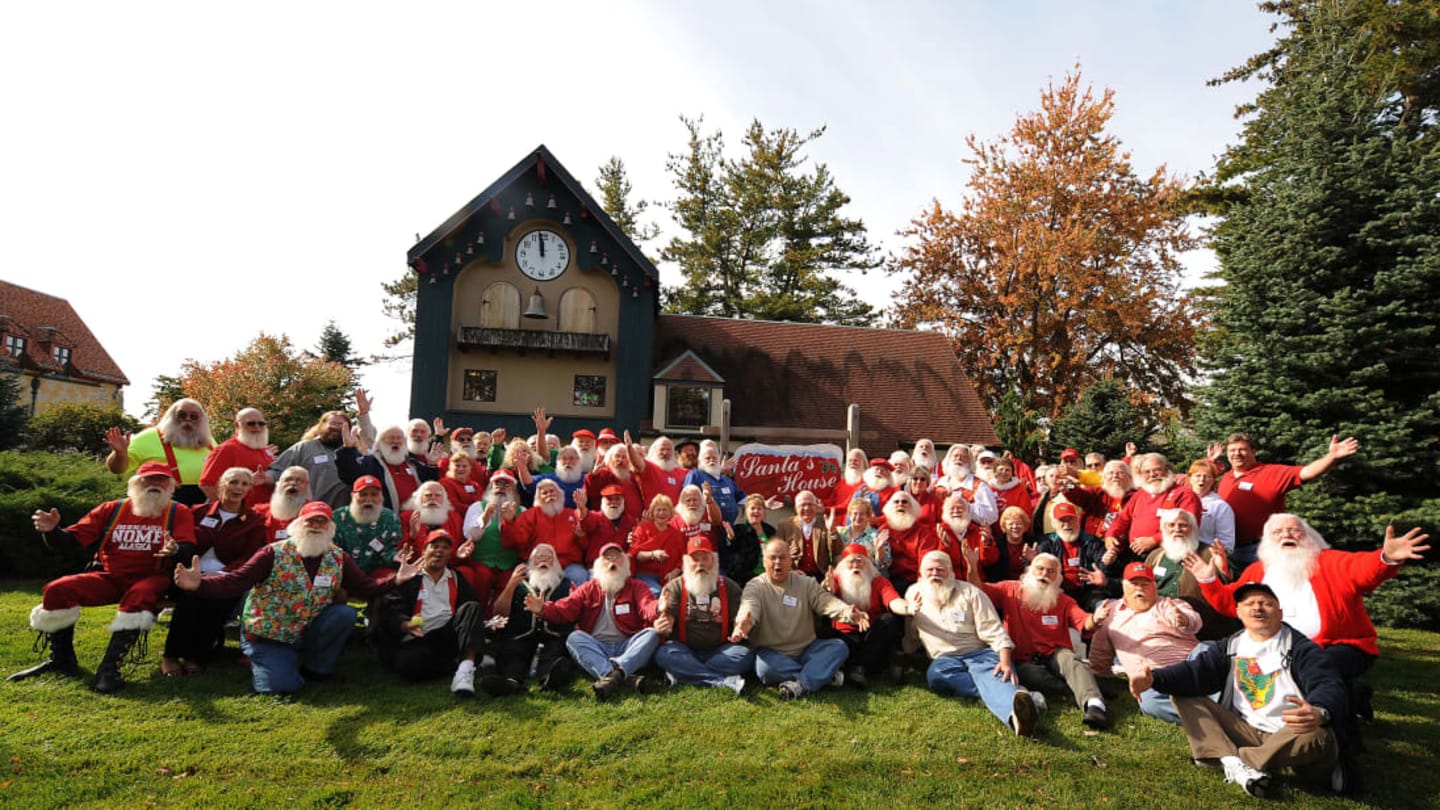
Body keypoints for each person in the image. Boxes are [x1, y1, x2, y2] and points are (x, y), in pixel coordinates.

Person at [1187, 514, 1428, 722]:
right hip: (1281, 646)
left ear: (1309, 537)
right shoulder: (1257, 571)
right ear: (1268, 541)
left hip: (1339, 645)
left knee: (1314, 666)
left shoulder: (1332, 562)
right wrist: (1208, 580)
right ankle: (1347, 699)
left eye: (1294, 530)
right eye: (1278, 532)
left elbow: (1363, 568)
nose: (1286, 535)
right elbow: (1233, 604)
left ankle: (1339, 731)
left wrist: (1385, 557)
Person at [173, 501, 420, 695]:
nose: (315, 526)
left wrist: (396, 580)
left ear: (330, 529)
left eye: (322, 521)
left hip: (306, 628)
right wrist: (200, 585)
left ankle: (317, 669)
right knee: (280, 687)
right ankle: (269, 659)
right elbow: (236, 581)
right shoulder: (272, 553)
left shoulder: (338, 557)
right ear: (298, 524)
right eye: (310, 520)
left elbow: (365, 586)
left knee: (344, 614)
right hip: (268, 634)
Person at [1130, 582, 1349, 798]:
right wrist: (1154, 678)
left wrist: (1319, 711)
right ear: (1238, 612)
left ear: (1280, 612)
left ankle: (1235, 761)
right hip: (1246, 731)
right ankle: (1237, 762)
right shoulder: (1231, 646)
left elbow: (1328, 684)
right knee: (1184, 696)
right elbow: (1195, 672)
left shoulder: (1301, 649)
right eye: (1249, 604)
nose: (1257, 608)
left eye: (1266, 603)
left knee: (1318, 734)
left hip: (1290, 734)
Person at [10, 461, 194, 692]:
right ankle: (61, 659)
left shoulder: (178, 512)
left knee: (139, 595)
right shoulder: (112, 509)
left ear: (171, 486)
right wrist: (52, 532)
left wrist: (175, 550)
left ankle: (109, 668)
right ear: (135, 483)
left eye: (162, 480)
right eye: (148, 479)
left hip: (153, 577)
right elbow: (71, 541)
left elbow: (188, 548)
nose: (155, 484)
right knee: (58, 589)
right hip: (110, 576)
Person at [896, 550, 1039, 736]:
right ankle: (1011, 693)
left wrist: (1005, 661)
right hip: (945, 660)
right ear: (921, 573)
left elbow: (994, 630)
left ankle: (1016, 718)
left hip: (980, 653)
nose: (935, 574)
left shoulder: (971, 593)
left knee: (995, 673)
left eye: (940, 569)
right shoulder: (913, 593)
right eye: (929, 570)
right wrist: (908, 651)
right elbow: (912, 629)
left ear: (951, 571)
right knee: (936, 677)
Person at [979, 553, 1109, 728]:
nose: (1044, 574)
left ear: (1058, 578)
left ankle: (1095, 705)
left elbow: (1084, 621)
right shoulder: (1009, 589)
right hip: (1023, 659)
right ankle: (1084, 684)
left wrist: (1095, 619)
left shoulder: (1064, 601)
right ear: (1029, 571)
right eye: (1039, 569)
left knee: (1070, 660)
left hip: (1055, 653)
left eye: (1051, 571)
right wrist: (972, 566)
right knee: (1031, 676)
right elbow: (979, 590)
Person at [162, 466, 267, 676]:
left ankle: (195, 656)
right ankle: (170, 656)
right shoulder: (197, 512)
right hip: (188, 573)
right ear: (221, 485)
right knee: (189, 597)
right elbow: (183, 541)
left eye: (244, 484)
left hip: (227, 578)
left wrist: (222, 575)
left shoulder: (255, 521)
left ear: (249, 490)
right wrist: (175, 549)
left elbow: (250, 556)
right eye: (233, 482)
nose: (238, 487)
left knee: (217, 600)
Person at [730, 539, 866, 699]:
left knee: (839, 647)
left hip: (807, 649)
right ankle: (821, 675)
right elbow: (749, 607)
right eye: (772, 558)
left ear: (790, 561)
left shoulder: (806, 583)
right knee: (765, 670)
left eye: (782, 557)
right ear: (764, 561)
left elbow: (826, 602)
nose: (777, 562)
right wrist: (743, 624)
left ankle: (802, 683)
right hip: (773, 654)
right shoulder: (755, 586)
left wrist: (848, 612)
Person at [525, 543, 660, 701]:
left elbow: (648, 606)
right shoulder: (588, 588)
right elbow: (565, 608)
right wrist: (543, 610)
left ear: (625, 562)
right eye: (607, 557)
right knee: (574, 638)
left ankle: (612, 675)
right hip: (597, 647)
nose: (612, 561)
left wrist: (658, 607)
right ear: (598, 564)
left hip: (626, 646)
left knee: (651, 634)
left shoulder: (637, 587)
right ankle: (620, 676)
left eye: (617, 557)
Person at [1216, 432, 1359, 568]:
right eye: (1232, 450)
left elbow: (1306, 472)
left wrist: (1332, 457)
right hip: (1229, 550)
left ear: (1254, 452)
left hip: (1262, 549)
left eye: (1242, 449)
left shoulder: (1273, 473)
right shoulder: (1226, 478)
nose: (1237, 454)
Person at [1086, 561, 1202, 725]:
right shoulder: (1109, 612)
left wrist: (1183, 619)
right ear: (1124, 587)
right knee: (1149, 702)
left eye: (1145, 584)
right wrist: (1099, 676)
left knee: (1209, 652)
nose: (1139, 589)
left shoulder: (1169, 605)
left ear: (1155, 587)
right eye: (1134, 584)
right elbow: (1099, 655)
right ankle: (1207, 717)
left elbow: (1195, 621)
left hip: (1191, 665)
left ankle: (1222, 704)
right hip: (1152, 678)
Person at [373, 529, 486, 695]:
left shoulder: (455, 576)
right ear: (424, 551)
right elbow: (390, 608)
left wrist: (484, 623)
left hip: (448, 633)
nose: (440, 551)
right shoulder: (410, 576)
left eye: (445, 548)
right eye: (435, 546)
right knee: (408, 665)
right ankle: (460, 661)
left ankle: (465, 670)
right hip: (418, 637)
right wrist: (404, 624)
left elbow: (469, 608)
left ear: (449, 554)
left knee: (472, 607)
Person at [652, 536, 752, 693]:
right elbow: (667, 621)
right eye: (695, 559)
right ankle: (722, 681)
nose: (700, 564)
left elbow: (738, 622)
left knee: (744, 655)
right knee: (664, 654)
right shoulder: (675, 587)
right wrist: (663, 626)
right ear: (686, 562)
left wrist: (740, 629)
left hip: (721, 651)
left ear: (714, 561)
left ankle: (682, 674)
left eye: (705, 558)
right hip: (685, 650)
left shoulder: (729, 587)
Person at [480, 544, 575, 696]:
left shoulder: (566, 584)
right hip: (521, 634)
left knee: (555, 650)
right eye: (539, 557)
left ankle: (549, 681)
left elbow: (575, 611)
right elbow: (499, 613)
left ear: (555, 563)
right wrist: (511, 585)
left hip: (553, 634)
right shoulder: (518, 584)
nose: (543, 560)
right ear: (531, 563)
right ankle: (510, 683)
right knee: (514, 651)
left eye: (548, 557)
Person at [1143, 509, 1238, 640]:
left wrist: (1223, 569)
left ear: (1193, 529)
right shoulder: (1155, 556)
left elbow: (1233, 591)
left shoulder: (1211, 553)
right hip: (1163, 630)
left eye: (1183, 525)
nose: (1177, 529)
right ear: (1163, 529)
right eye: (1171, 525)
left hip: (1205, 631)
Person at [104, 398, 214, 505]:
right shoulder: (147, 437)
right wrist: (120, 453)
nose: (188, 419)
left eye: (194, 416)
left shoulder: (209, 441)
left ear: (201, 419)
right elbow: (117, 469)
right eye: (182, 415)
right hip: (158, 505)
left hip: (204, 506)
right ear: (171, 416)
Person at [269, 400, 377, 508]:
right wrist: (266, 477)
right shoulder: (305, 448)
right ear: (322, 425)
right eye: (333, 423)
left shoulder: (356, 451)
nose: (336, 427)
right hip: (314, 512)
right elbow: (277, 471)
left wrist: (364, 415)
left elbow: (369, 440)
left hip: (348, 513)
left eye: (341, 425)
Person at [827, 543, 906, 687]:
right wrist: (828, 590)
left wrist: (908, 607)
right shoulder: (835, 580)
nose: (855, 565)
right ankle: (859, 666)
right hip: (846, 634)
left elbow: (893, 600)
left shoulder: (879, 581)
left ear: (868, 564)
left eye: (860, 561)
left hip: (871, 634)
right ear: (844, 565)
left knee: (889, 620)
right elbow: (825, 599)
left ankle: (858, 667)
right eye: (851, 562)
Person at [1100, 453, 1202, 561]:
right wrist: (1110, 535)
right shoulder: (1140, 494)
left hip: (1167, 555)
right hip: (1136, 554)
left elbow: (1190, 525)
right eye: (1147, 472)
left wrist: (1154, 540)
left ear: (1168, 470)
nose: (1152, 475)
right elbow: (1122, 518)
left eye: (1157, 470)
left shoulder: (1184, 494)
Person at [499, 478, 589, 587]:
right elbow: (515, 543)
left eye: (552, 491)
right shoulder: (529, 515)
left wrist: (581, 537)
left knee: (580, 576)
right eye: (544, 493)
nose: (549, 495)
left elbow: (586, 546)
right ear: (538, 498)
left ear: (560, 494)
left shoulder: (573, 515)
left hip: (567, 564)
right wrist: (509, 523)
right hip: (537, 563)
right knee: (519, 578)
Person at [337, 424, 439, 513]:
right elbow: (349, 475)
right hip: (385, 523)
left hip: (413, 522)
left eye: (399, 438)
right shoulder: (370, 462)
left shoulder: (413, 463)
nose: (396, 441)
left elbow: (430, 484)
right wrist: (347, 449)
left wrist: (432, 465)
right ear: (380, 442)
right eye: (391, 438)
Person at [1034, 501, 1117, 611]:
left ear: (1078, 520)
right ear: (1054, 524)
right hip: (1058, 591)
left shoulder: (1092, 542)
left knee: (1102, 606)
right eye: (1062, 521)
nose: (1067, 524)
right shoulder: (1046, 544)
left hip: (1088, 592)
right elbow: (1037, 572)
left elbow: (1103, 572)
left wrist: (1106, 563)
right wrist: (1031, 561)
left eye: (1070, 519)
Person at [198, 407, 276, 507]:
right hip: (243, 514)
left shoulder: (264, 449)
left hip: (264, 511)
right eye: (251, 423)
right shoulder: (227, 449)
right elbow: (207, 485)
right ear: (237, 425)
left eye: (261, 424)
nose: (257, 427)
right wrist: (231, 510)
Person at [332, 475, 404, 577]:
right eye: (363, 494)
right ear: (353, 496)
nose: (369, 499)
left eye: (374, 495)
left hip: (377, 572)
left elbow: (390, 549)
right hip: (344, 572)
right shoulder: (337, 517)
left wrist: (394, 557)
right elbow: (332, 551)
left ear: (381, 497)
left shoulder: (390, 518)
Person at [626, 494, 686, 596]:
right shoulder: (642, 529)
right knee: (658, 594)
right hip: (645, 575)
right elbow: (635, 554)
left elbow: (682, 558)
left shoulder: (676, 534)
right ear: (652, 513)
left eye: (665, 510)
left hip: (669, 577)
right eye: (658, 510)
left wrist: (674, 572)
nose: (661, 513)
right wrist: (652, 554)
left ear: (670, 513)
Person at [777, 490, 839, 579]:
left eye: (810, 504)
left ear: (816, 506)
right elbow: (776, 553)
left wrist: (832, 531)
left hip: (821, 575)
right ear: (796, 508)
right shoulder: (785, 525)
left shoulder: (825, 523)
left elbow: (837, 551)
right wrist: (788, 565)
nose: (806, 508)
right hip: (794, 576)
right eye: (802, 505)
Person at [933, 444, 998, 527]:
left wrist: (967, 507)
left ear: (969, 461)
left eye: (963, 457)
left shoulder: (979, 485)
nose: (959, 459)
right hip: (941, 531)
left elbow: (991, 516)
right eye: (955, 456)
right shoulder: (938, 484)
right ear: (949, 459)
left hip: (970, 532)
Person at [682, 440, 745, 524]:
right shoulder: (695, 475)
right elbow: (685, 499)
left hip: (728, 527)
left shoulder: (726, 480)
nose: (711, 460)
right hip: (704, 527)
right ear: (700, 461)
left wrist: (761, 502)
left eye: (714, 458)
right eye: (707, 458)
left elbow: (743, 498)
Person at [582, 444, 645, 522]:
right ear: (610, 458)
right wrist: (594, 475)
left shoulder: (632, 476)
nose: (620, 459)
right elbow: (590, 491)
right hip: (607, 522)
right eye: (617, 456)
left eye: (624, 457)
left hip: (632, 522)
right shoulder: (603, 474)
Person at [1188, 459, 1235, 552]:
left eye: (1207, 476)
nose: (1202, 479)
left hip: (1206, 554)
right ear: (1190, 479)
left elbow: (1226, 542)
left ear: (1213, 481)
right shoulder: (1179, 500)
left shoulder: (1220, 506)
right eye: (1198, 475)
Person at [723, 493, 770, 583]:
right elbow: (731, 547)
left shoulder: (770, 531)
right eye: (753, 508)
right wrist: (731, 538)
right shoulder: (739, 530)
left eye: (759, 508)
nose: (756, 511)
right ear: (746, 512)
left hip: (767, 579)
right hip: (743, 580)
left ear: (764, 512)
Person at [254, 466, 310, 542]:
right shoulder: (260, 511)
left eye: (299, 481)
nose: (293, 483)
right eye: (288, 480)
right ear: (278, 484)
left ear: (307, 486)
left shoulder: (313, 512)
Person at [628, 433, 686, 505]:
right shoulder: (649, 468)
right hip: (653, 511)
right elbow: (637, 463)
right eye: (662, 449)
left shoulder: (682, 472)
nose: (665, 453)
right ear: (655, 451)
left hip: (674, 512)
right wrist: (629, 448)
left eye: (668, 449)